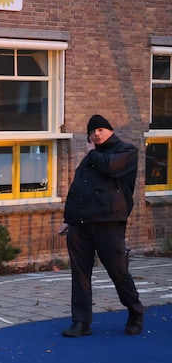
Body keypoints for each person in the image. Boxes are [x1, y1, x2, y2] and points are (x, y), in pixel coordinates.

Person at [58, 114, 146, 337]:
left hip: (109, 222)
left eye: (100, 130)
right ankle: (81, 322)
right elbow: (78, 188)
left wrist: (92, 152)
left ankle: (135, 312)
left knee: (118, 271)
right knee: (80, 275)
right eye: (92, 131)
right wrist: (69, 219)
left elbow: (111, 168)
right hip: (81, 224)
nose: (96, 134)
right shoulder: (91, 157)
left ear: (110, 131)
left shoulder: (126, 151)